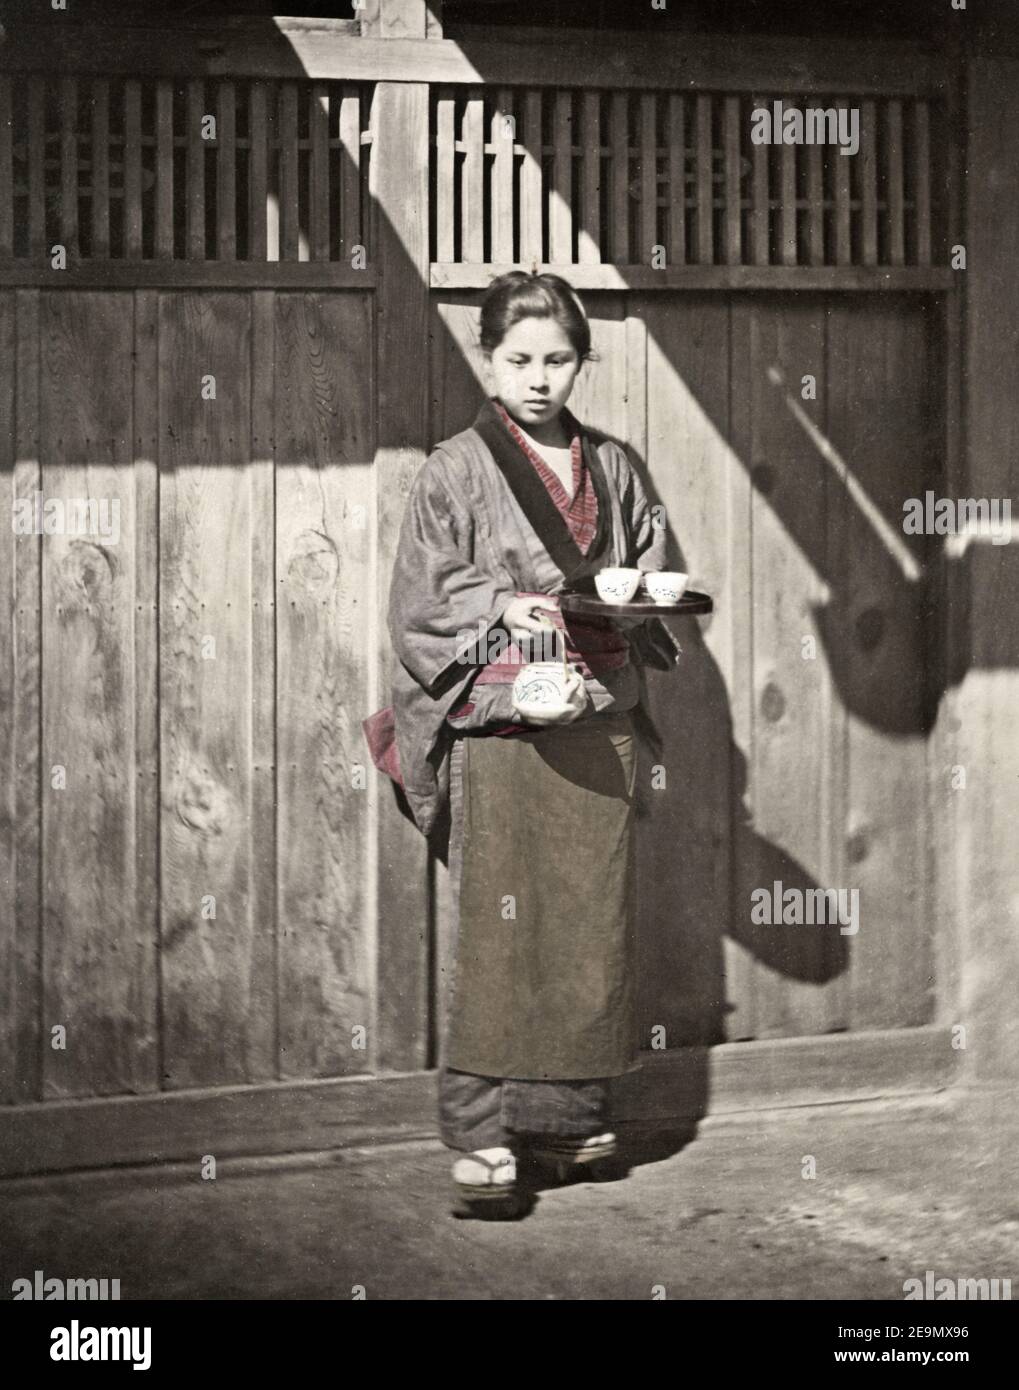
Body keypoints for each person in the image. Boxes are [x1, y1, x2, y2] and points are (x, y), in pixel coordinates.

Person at [363, 270, 682, 1216]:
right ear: (489, 361)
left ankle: (566, 1121)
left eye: (556, 359)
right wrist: (512, 607)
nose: (538, 378)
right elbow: (422, 599)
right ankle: (480, 1132)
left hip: (594, 719)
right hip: (502, 727)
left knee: (591, 926)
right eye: (519, 360)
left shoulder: (615, 466)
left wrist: (621, 599)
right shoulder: (454, 468)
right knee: (502, 934)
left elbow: (646, 573)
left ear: (580, 361)